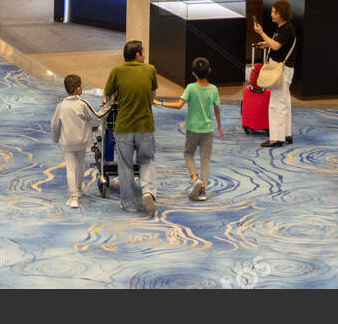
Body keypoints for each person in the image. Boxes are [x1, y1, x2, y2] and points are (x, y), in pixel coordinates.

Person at [103, 40, 160, 216]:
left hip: (124, 127)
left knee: (125, 165)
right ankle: (148, 191)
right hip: (145, 126)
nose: (144, 55)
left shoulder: (117, 71)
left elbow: (107, 95)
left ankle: (128, 204)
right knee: (147, 161)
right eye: (143, 52)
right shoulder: (150, 70)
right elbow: (153, 94)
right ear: (137, 55)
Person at [156, 56, 222, 200]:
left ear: (193, 73)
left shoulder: (191, 88)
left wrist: (160, 103)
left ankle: (195, 179)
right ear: (209, 70)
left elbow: (179, 105)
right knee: (205, 160)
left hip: (193, 129)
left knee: (188, 154)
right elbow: (217, 109)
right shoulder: (214, 89)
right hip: (208, 130)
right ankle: (203, 190)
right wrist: (220, 127)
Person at [50, 74, 103, 209]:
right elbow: (96, 117)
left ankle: (73, 197)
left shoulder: (61, 106)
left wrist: (55, 139)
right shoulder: (83, 104)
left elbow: (55, 124)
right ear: (78, 89)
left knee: (70, 168)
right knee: (80, 164)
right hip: (82, 141)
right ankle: (79, 188)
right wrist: (107, 107)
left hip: (67, 143)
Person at [252, 0, 298, 148]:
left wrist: (261, 33)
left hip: (281, 70)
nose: (272, 14)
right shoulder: (283, 28)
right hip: (283, 70)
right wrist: (265, 43)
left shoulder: (286, 29)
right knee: (284, 102)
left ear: (280, 14)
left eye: (274, 12)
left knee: (277, 104)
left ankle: (276, 138)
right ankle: (285, 134)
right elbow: (276, 44)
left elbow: (276, 46)